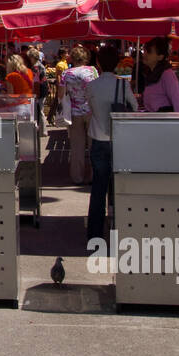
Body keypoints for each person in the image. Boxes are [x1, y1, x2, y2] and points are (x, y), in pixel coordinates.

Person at [84, 45, 136, 246]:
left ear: (98, 63)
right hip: (118, 140)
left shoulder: (92, 86)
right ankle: (118, 230)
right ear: (117, 63)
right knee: (118, 188)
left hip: (98, 140)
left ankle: (95, 234)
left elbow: (90, 106)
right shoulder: (123, 85)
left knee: (98, 188)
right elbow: (134, 106)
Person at [61, 46, 98, 185]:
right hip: (91, 110)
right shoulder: (92, 70)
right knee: (93, 145)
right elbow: (96, 89)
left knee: (77, 147)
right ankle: (94, 175)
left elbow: (61, 94)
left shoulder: (66, 73)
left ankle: (77, 177)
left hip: (74, 112)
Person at [141, 36, 179, 112]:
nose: (144, 55)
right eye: (144, 51)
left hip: (164, 121)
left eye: (149, 52)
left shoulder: (167, 74)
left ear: (160, 57)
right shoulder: (150, 74)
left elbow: (178, 101)